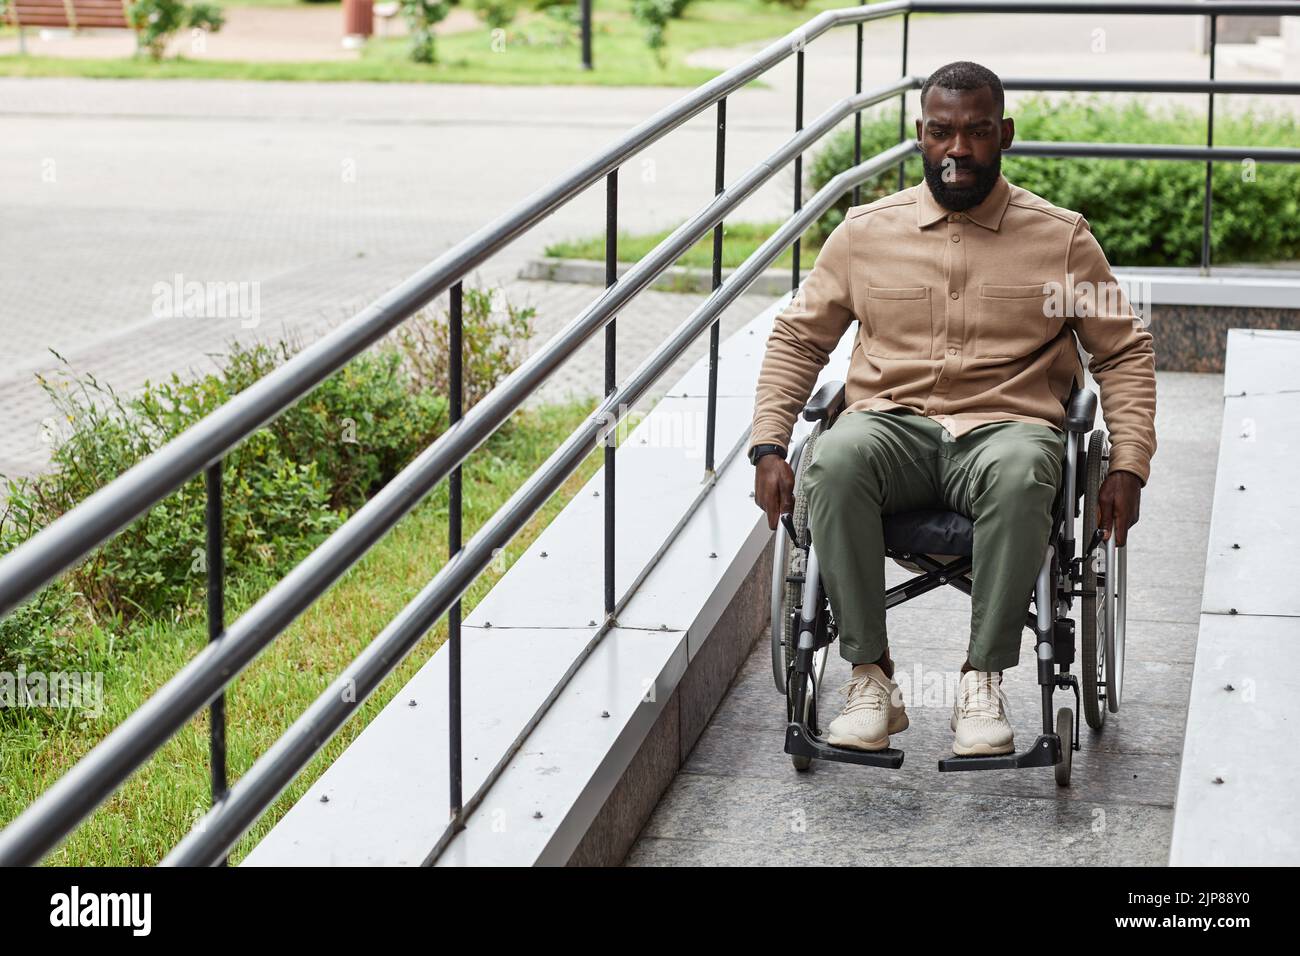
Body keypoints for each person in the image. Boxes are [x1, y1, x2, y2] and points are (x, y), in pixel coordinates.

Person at [748, 61, 1156, 757]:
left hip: (1006, 430)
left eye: (976, 132)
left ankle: (982, 682)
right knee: (837, 461)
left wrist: (1128, 462)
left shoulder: (1060, 239)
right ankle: (871, 678)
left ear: (1005, 135)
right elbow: (798, 337)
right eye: (942, 132)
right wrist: (769, 445)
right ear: (920, 136)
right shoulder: (865, 234)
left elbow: (1121, 352)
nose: (958, 150)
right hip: (891, 426)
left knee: (1029, 470)